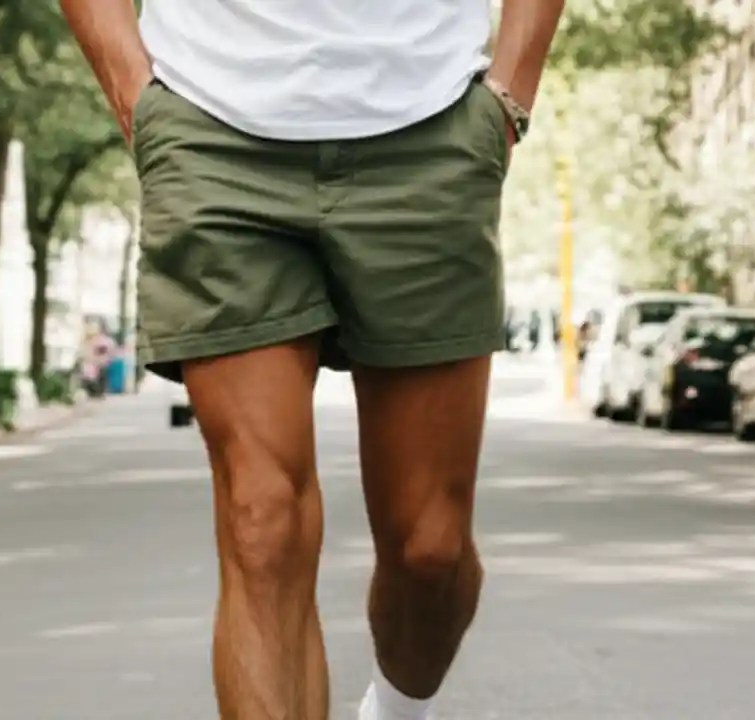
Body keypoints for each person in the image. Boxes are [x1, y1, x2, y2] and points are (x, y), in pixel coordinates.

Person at [59, 2, 564, 717]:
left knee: (431, 552)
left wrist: (511, 90)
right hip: (212, 126)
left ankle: (392, 710)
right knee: (261, 521)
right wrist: (130, 86)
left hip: (430, 124)